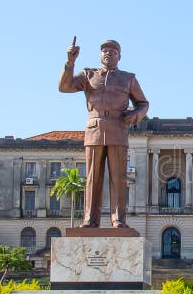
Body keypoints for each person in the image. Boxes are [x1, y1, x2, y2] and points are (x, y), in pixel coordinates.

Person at [59, 39, 149, 228]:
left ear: (119, 56)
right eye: (105, 51)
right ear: (100, 55)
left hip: (118, 127)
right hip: (95, 128)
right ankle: (90, 220)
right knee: (93, 177)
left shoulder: (128, 78)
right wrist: (70, 62)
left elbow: (143, 104)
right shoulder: (88, 74)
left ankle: (118, 219)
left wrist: (133, 116)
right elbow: (64, 87)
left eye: (113, 51)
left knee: (118, 177)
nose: (109, 54)